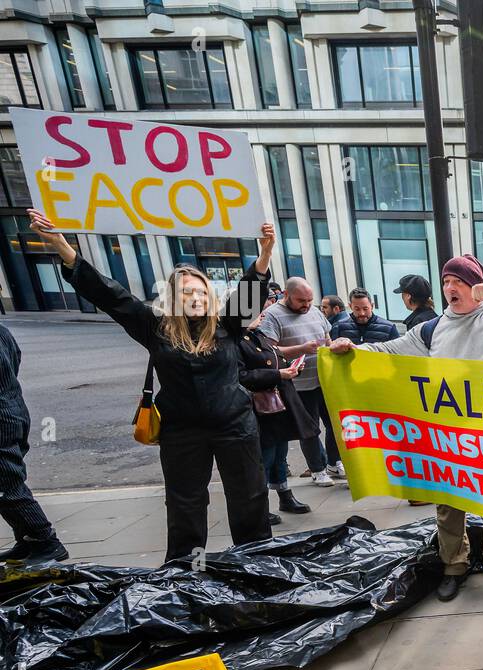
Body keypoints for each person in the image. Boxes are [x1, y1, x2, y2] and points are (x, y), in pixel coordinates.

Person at [29, 209, 275, 563]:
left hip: (235, 426)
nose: (196, 299)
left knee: (249, 495)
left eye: (201, 293)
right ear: (174, 297)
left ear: (210, 297)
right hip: (182, 431)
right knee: (185, 501)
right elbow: (110, 295)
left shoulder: (229, 324)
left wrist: (264, 253)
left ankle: (257, 560)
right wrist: (62, 247)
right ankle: (184, 569)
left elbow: (252, 290)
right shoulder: (154, 327)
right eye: (187, 293)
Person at [329, 254, 483, 600]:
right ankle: (454, 566)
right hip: (448, 436)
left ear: (476, 287)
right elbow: (386, 351)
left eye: (459, 281)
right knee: (449, 504)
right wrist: (351, 349)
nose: (450, 287)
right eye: (447, 281)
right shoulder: (430, 330)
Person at [236, 306, 317, 526]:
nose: (262, 315)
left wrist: (289, 368)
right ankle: (259, 507)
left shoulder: (256, 334)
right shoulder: (235, 341)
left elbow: (273, 357)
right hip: (262, 406)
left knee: (280, 454)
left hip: (279, 402)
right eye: (256, 311)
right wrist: (277, 374)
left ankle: (284, 495)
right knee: (265, 457)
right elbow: (241, 375)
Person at [259, 276, 340, 484]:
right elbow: (268, 352)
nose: (306, 305)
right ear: (286, 295)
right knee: (309, 429)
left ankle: (334, 461)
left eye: (309, 300)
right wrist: (301, 349)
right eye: (301, 301)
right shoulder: (272, 316)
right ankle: (317, 469)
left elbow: (328, 340)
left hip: (324, 379)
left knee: (334, 424)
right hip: (297, 385)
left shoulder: (315, 312)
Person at [0, 321, 67, 562]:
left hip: (3, 416)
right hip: (12, 409)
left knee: (6, 482)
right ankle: (28, 539)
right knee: (8, 478)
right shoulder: (2, 331)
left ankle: (44, 541)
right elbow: (14, 359)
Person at [331, 288, 401, 344]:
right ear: (350, 306)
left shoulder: (388, 328)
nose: (362, 313)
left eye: (365, 309)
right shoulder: (338, 327)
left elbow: (398, 354)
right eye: (357, 309)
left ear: (372, 306)